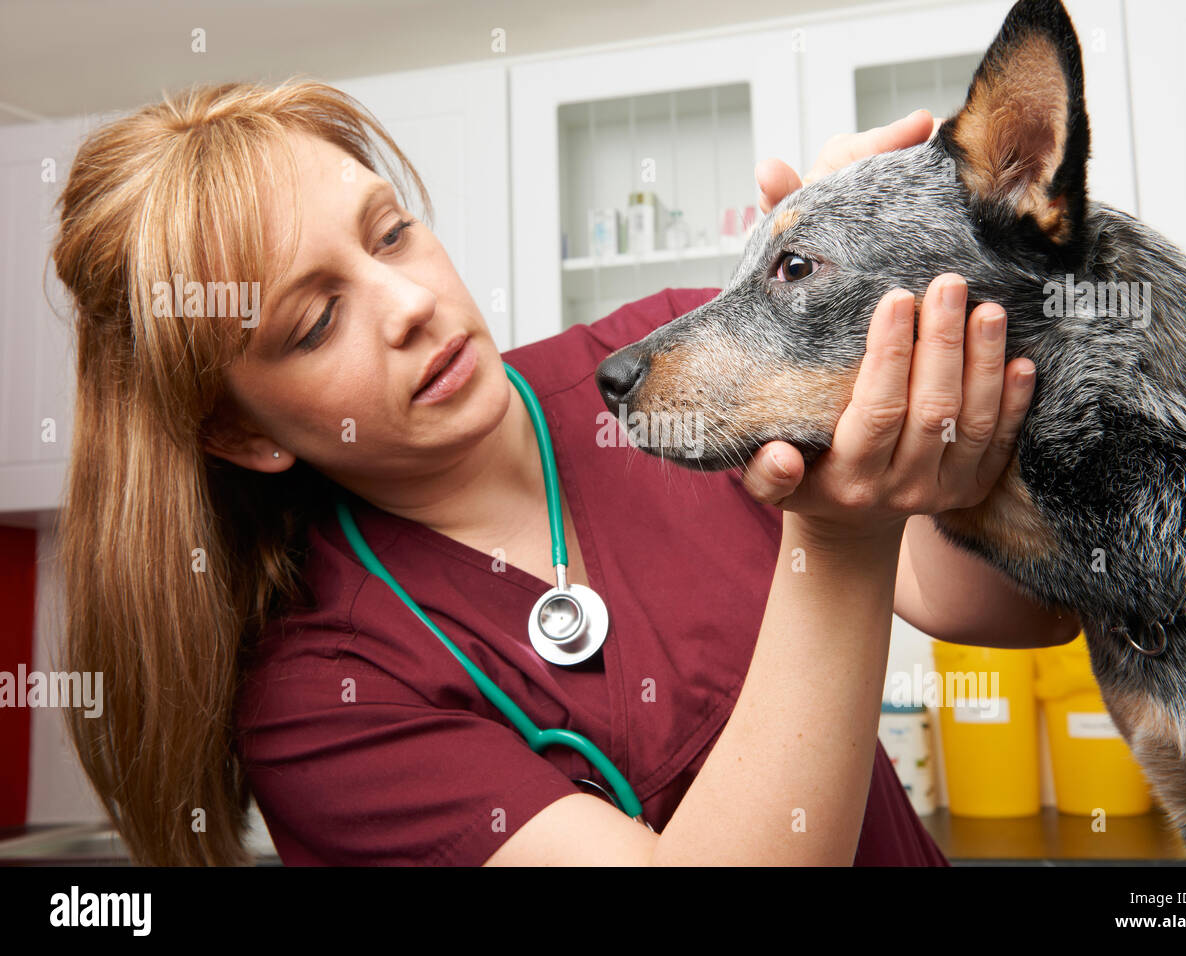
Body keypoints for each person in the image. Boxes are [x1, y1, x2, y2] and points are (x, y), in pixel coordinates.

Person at [51, 78, 1080, 867]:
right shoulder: (324, 695)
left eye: (392, 233)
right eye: (316, 321)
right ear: (241, 432)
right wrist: (837, 540)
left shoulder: (672, 367)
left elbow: (1016, 608)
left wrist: (902, 271)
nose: (406, 300)